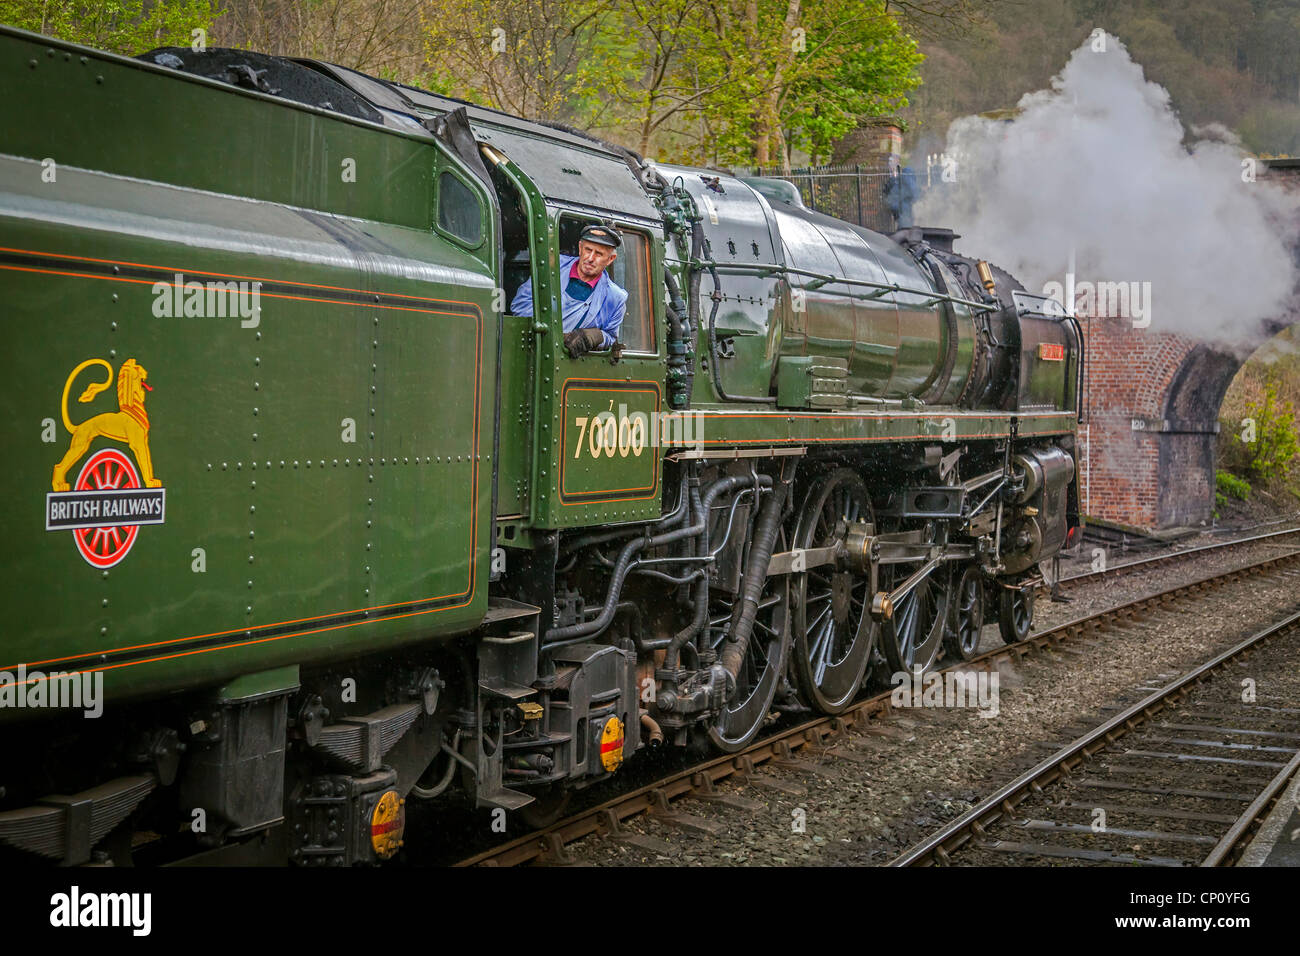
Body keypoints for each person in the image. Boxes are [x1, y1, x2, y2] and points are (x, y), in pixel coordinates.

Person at [511, 223, 627, 358]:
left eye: (599, 254)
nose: (590, 258)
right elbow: (520, 304)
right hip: (530, 353)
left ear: (610, 259)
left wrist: (594, 336)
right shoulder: (552, 266)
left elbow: (611, 336)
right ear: (580, 248)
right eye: (588, 250)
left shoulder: (616, 297)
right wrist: (555, 335)